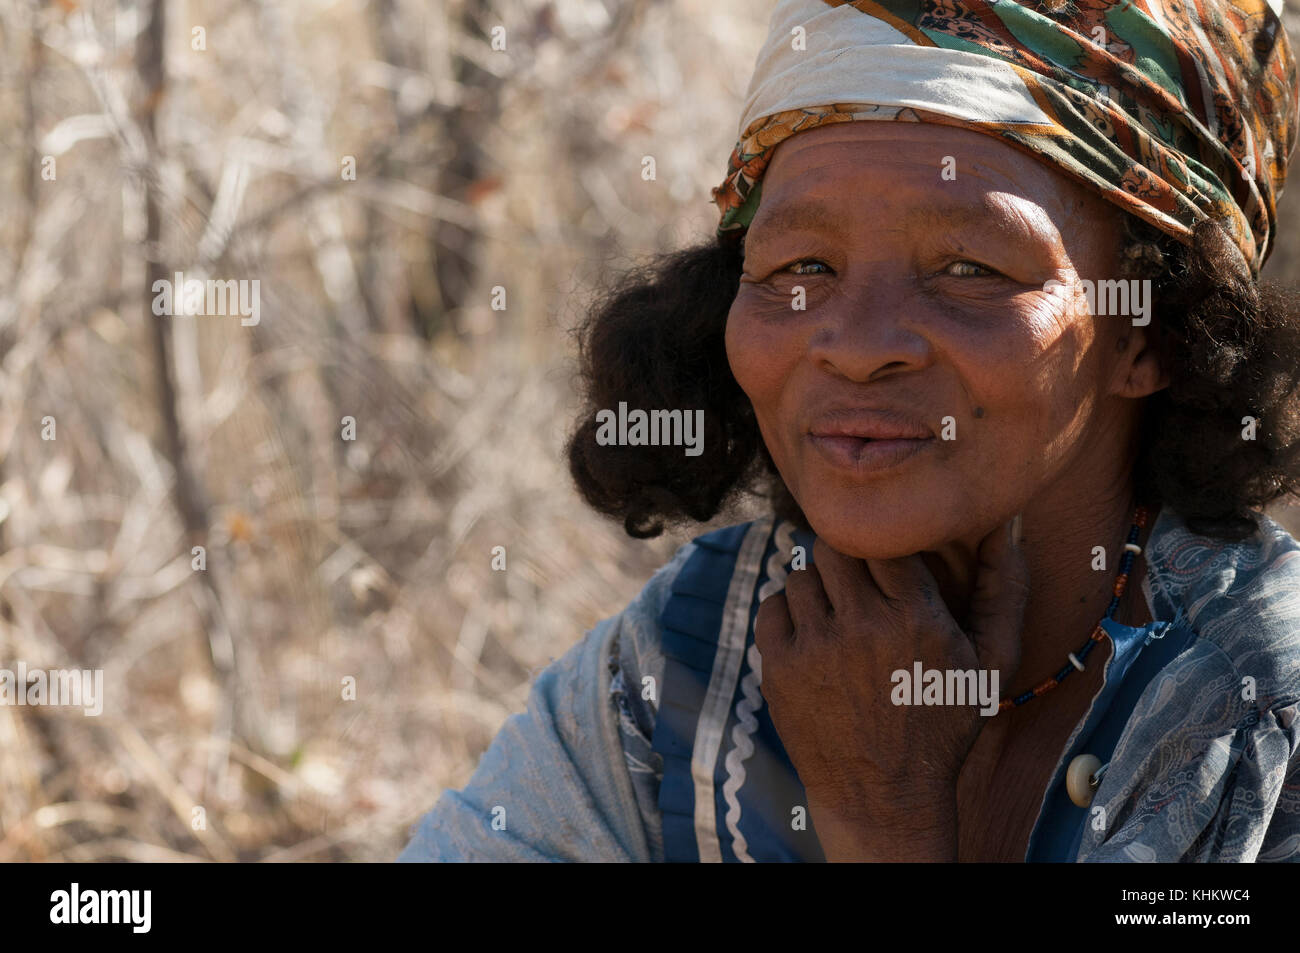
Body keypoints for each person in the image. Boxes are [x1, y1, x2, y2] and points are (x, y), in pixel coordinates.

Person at [401, 0, 1300, 862]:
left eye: (968, 267)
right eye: (802, 266)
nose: (859, 346)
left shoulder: (1267, 715)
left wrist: (884, 818)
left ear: (1150, 333)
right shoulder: (677, 667)